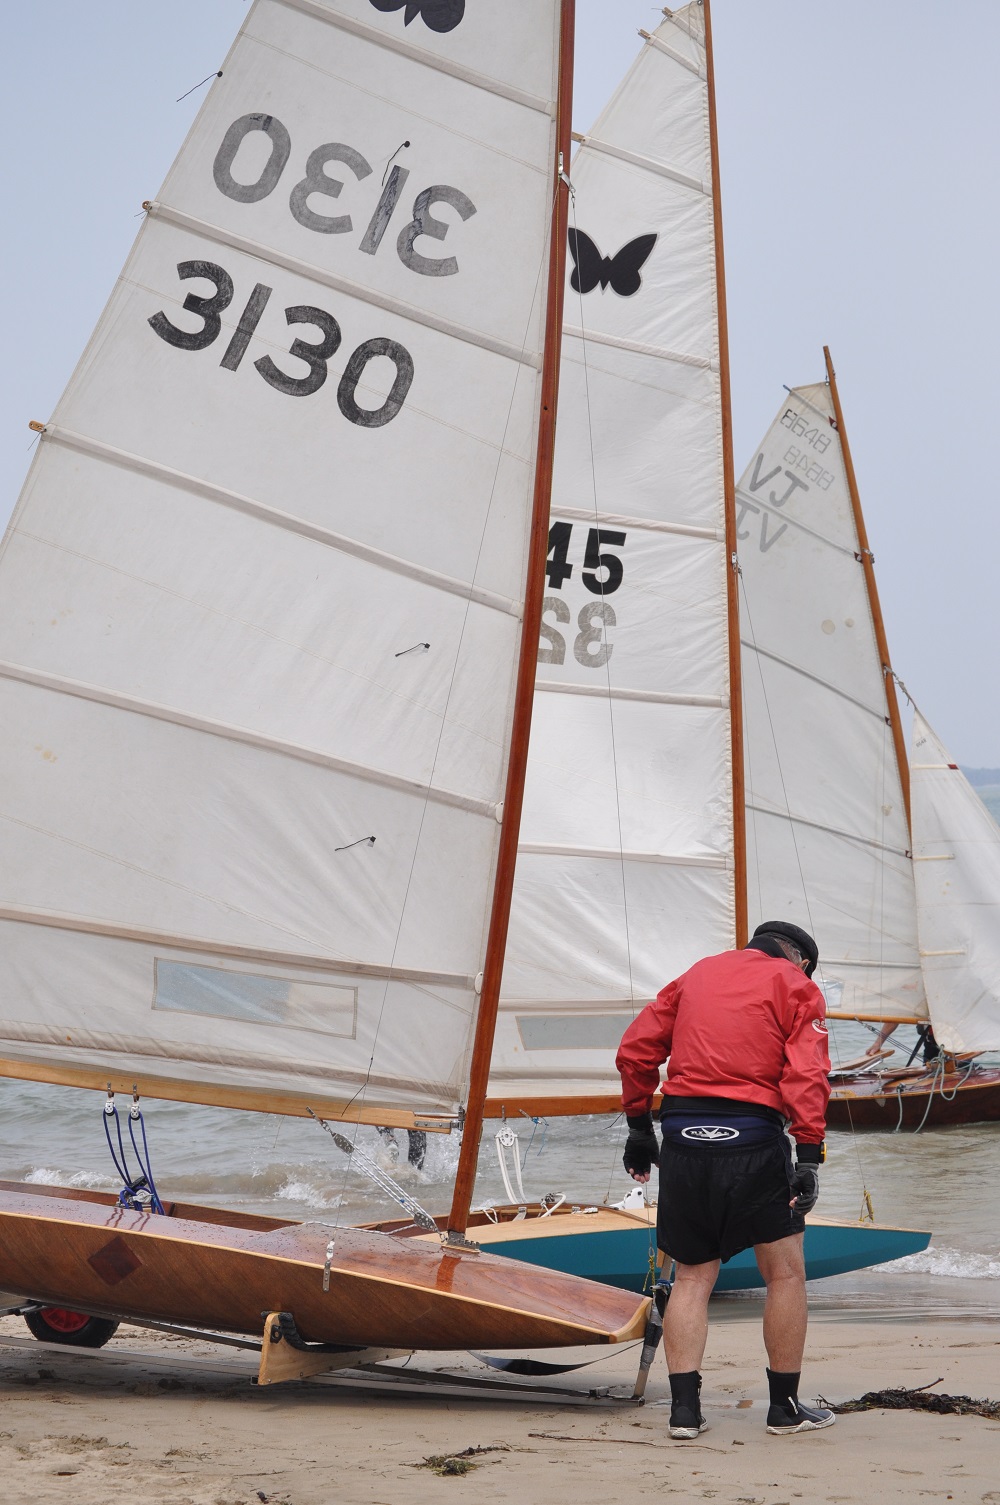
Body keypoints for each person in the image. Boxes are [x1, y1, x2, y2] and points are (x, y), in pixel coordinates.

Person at [616, 921, 835, 1440]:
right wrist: (808, 1154)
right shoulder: (796, 985)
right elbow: (808, 1074)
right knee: (784, 1273)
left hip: (685, 1139)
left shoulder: (694, 976)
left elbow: (635, 1051)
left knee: (692, 1277)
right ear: (798, 959)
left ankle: (684, 1413)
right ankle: (784, 1409)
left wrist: (638, 1128)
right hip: (754, 1140)